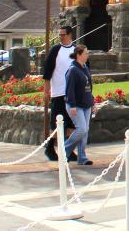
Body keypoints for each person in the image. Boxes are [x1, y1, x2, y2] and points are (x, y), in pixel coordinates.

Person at [42, 25, 77, 161]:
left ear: (70, 35)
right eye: (60, 35)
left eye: (63, 34)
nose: (61, 37)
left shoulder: (76, 50)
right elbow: (47, 71)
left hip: (73, 93)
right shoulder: (56, 50)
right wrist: (46, 91)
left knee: (72, 124)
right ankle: (50, 147)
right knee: (58, 123)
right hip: (59, 92)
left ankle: (67, 150)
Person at [62, 44, 95, 166]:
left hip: (86, 104)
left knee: (85, 131)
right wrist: (73, 105)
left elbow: (89, 87)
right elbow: (69, 89)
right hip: (75, 105)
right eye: (86, 53)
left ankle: (82, 157)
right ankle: (64, 150)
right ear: (79, 55)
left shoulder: (85, 67)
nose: (87, 55)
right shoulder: (72, 70)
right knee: (81, 129)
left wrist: (92, 102)